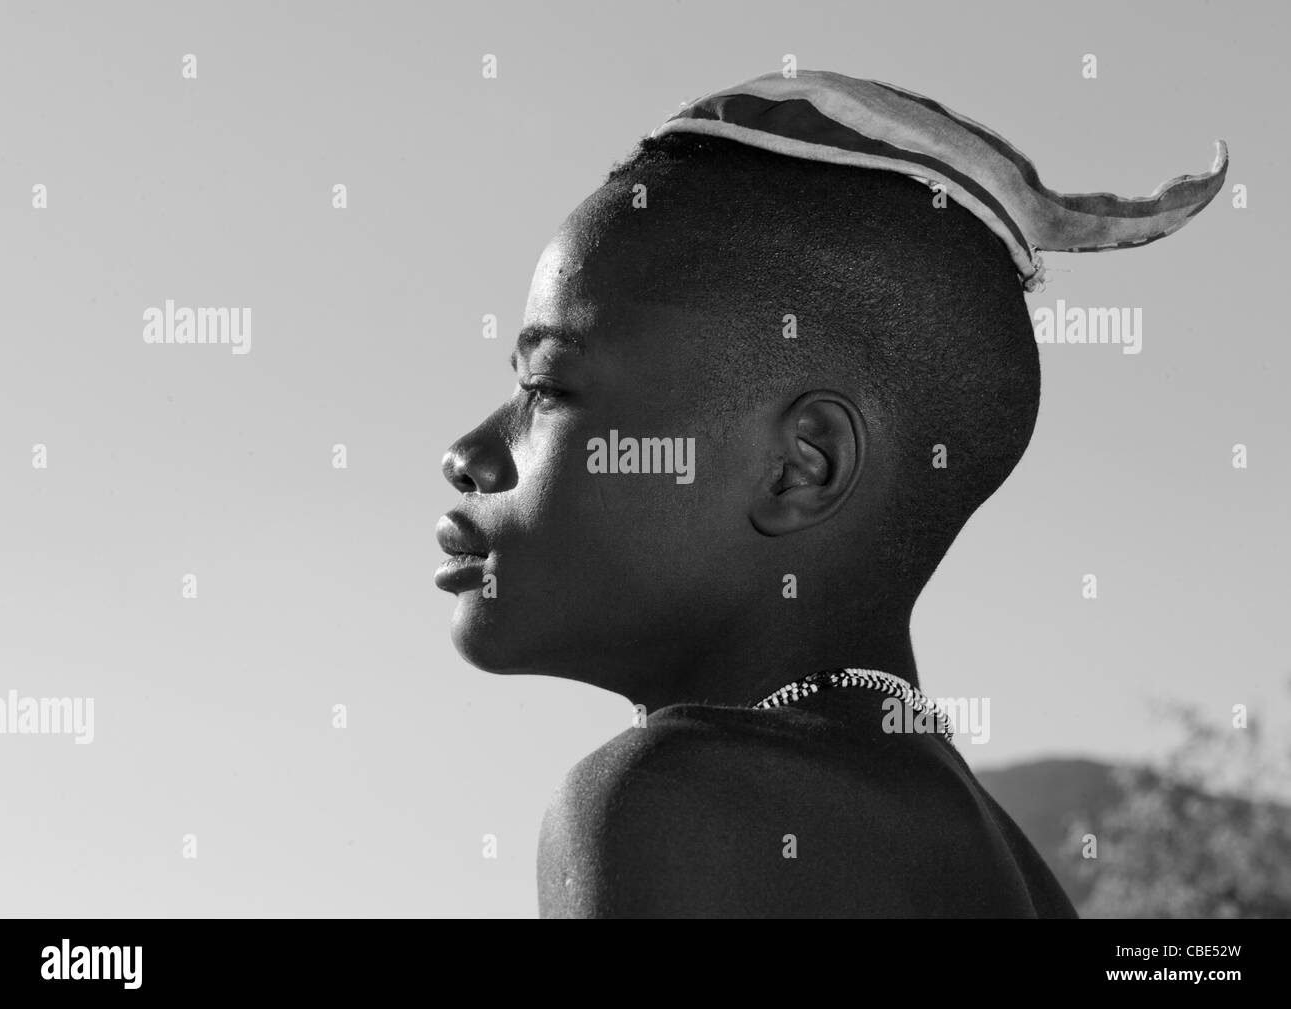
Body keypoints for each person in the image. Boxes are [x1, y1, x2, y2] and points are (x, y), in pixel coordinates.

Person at [435, 71, 1226, 917]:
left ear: (800, 467)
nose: (468, 453)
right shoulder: (1009, 867)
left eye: (548, 387)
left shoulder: (666, 805)